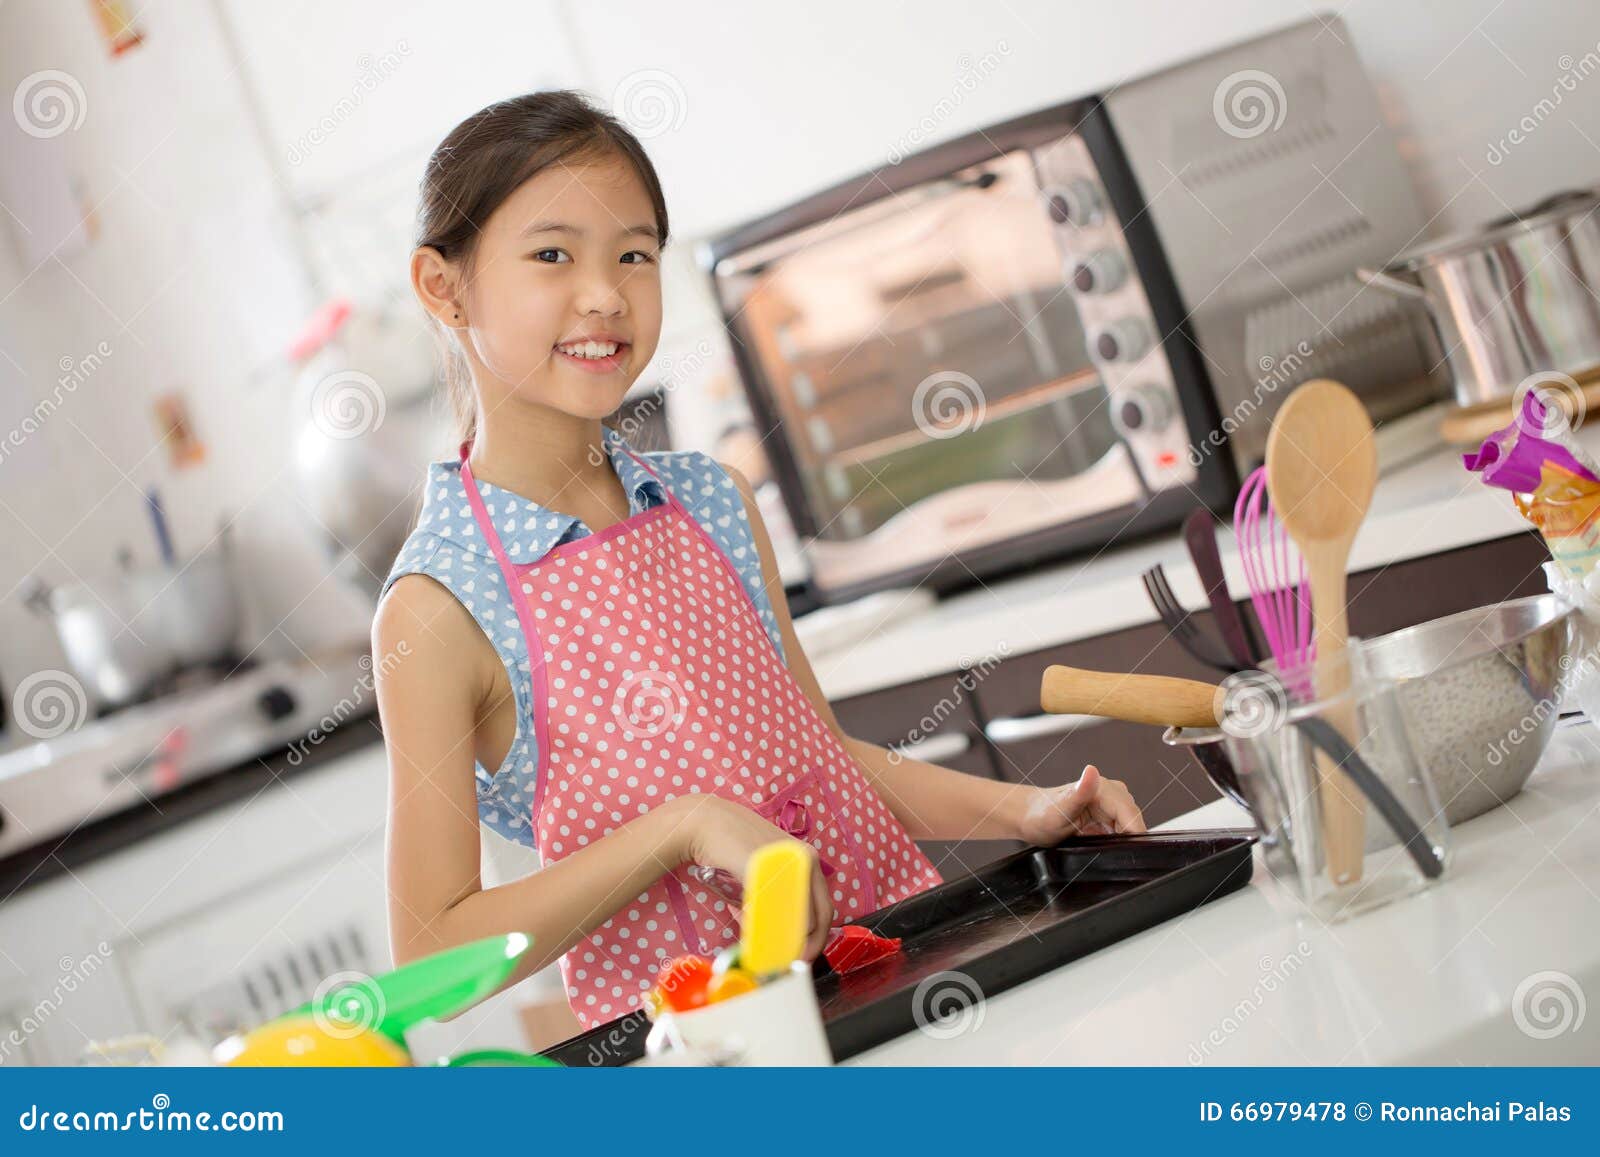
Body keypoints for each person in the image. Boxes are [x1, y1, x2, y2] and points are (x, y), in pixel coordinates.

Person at [372, 90, 1145, 1031]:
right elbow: (431, 953)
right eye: (552, 255)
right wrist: (683, 828)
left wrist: (1025, 813)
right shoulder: (439, 606)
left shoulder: (711, 502)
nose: (605, 293)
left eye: (634, 254)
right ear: (442, 286)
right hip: (714, 1056)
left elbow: (824, 759)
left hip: (899, 985)